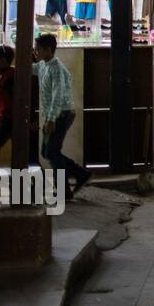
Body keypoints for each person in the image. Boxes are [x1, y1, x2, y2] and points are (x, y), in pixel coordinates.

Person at [35, 34, 90, 196]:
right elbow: (31, 69)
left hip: (62, 114)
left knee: (51, 151)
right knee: (48, 152)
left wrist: (51, 119)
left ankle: (64, 190)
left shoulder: (57, 69)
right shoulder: (43, 65)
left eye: (38, 49)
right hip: (54, 115)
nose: (35, 52)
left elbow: (57, 96)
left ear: (48, 50)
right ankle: (81, 174)